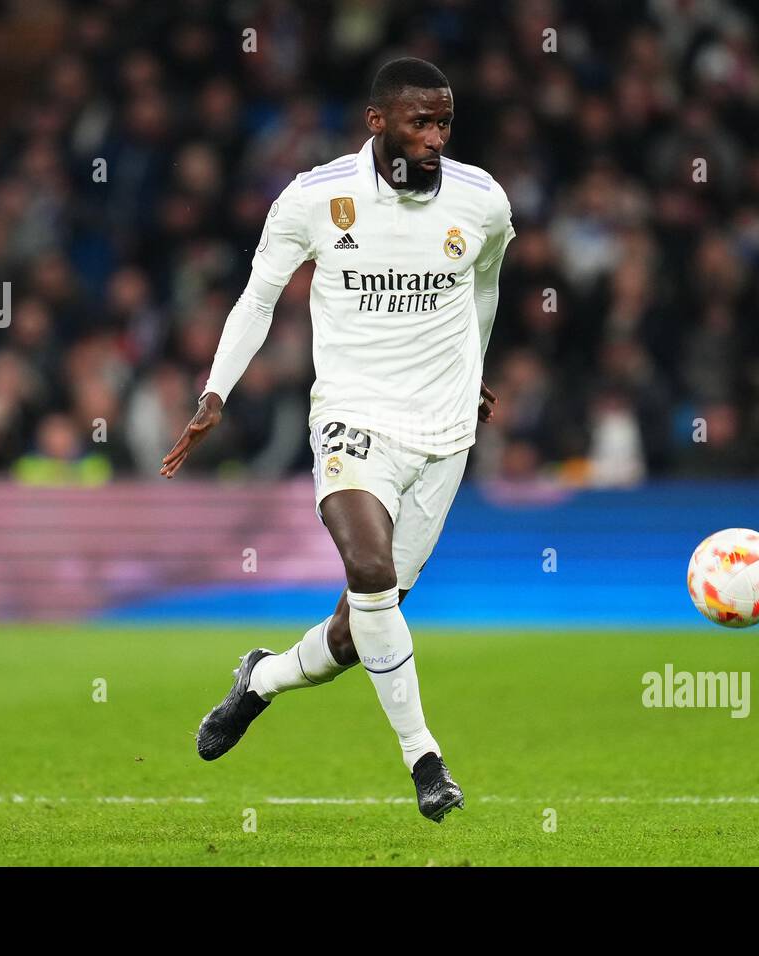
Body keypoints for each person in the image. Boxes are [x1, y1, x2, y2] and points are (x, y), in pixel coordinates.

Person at [160, 57, 514, 822]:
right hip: (353, 417)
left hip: (444, 432)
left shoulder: (481, 201)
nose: (435, 139)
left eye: (445, 123)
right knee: (369, 563)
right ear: (377, 122)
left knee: (359, 631)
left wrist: (475, 363)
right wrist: (214, 393)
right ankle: (426, 761)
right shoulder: (316, 199)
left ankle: (259, 680)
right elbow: (258, 299)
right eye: (421, 123)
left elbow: (485, 285)